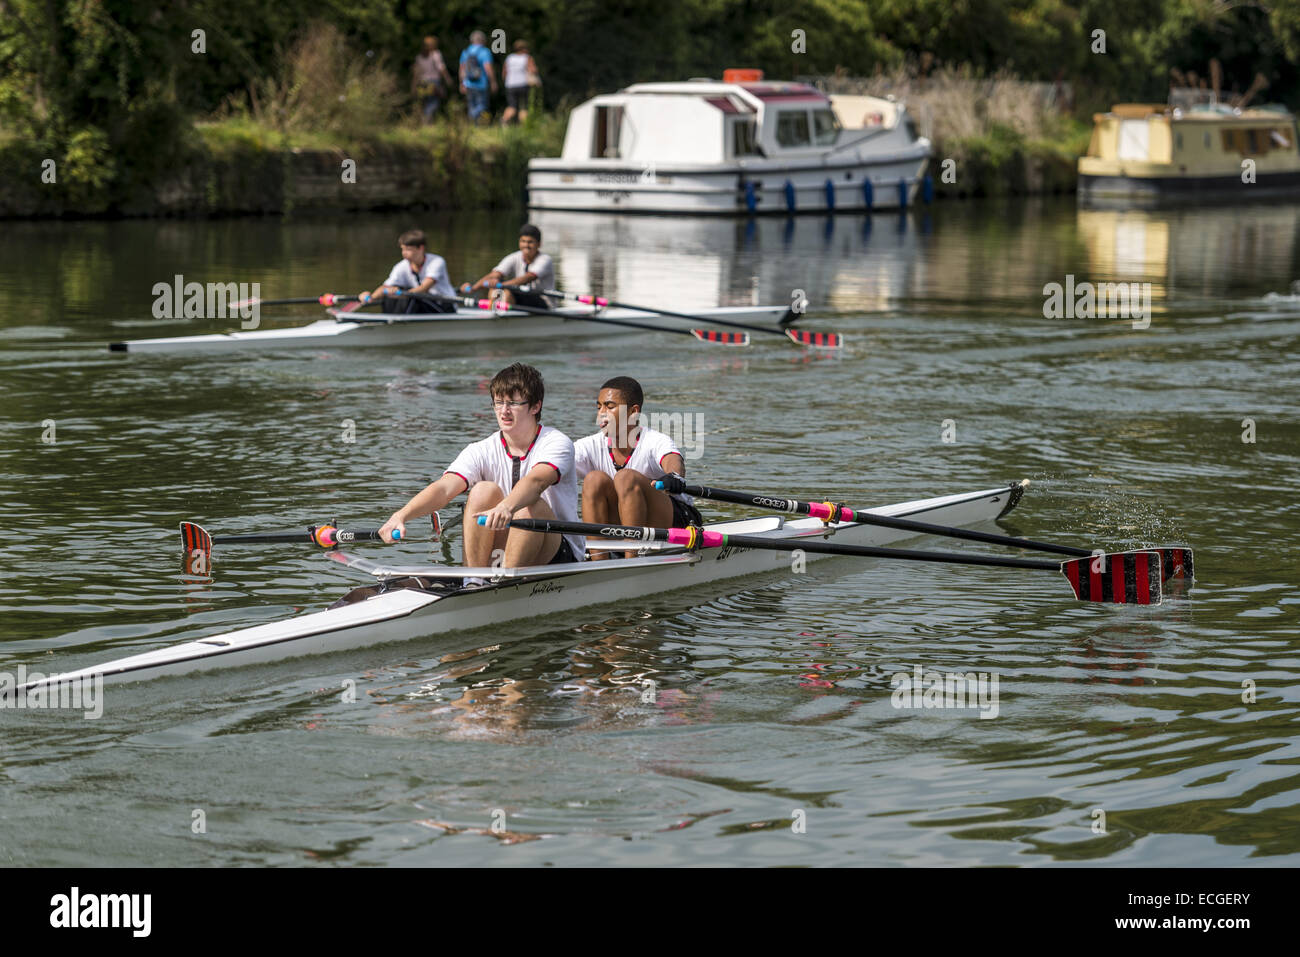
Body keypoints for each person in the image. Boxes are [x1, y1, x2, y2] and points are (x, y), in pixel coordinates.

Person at [379, 363, 583, 578]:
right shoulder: (480, 449)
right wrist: (401, 515)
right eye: (499, 402)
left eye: (513, 403)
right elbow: (444, 489)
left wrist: (506, 507)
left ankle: (502, 587)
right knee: (482, 490)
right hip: (506, 549)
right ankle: (473, 580)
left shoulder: (556, 442)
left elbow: (536, 482)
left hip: (557, 551)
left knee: (527, 507)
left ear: (535, 407)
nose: (504, 411)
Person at [575, 376, 701, 560]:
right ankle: (598, 561)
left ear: (634, 411)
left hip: (675, 522)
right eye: (599, 407)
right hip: (625, 525)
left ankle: (631, 559)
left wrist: (674, 476)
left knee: (625, 477)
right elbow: (556, 463)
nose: (601, 413)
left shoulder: (654, 440)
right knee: (594, 480)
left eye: (610, 407)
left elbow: (673, 460)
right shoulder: (590, 445)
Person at [359, 228, 457, 314]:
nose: (404, 253)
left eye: (408, 249)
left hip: (444, 305)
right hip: (422, 304)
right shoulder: (401, 266)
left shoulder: (437, 262)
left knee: (412, 296)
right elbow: (385, 287)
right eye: (402, 249)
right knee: (390, 295)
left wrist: (400, 294)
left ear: (421, 248)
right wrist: (371, 297)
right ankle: (390, 325)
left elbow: (424, 288)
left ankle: (396, 328)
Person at [462, 224, 554, 308]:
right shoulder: (514, 257)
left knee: (506, 291)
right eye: (523, 241)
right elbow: (494, 275)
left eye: (530, 242)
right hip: (521, 296)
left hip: (543, 301)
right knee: (495, 287)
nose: (526, 245)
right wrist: (474, 288)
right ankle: (496, 315)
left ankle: (502, 317)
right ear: (519, 242)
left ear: (539, 244)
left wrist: (502, 285)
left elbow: (529, 277)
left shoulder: (545, 259)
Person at [412, 36, 454, 123]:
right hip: (433, 83)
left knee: (425, 103)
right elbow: (441, 68)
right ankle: (427, 120)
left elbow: (416, 73)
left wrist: (413, 86)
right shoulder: (435, 54)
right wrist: (448, 79)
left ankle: (426, 122)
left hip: (422, 83)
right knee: (433, 103)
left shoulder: (419, 57)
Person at [459, 30, 497, 124]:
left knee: (471, 105)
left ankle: (472, 125)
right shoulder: (484, 51)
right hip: (481, 84)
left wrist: (462, 83)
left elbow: (462, 69)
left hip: (468, 83)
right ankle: (475, 122)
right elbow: (488, 68)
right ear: (483, 40)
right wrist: (493, 82)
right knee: (482, 105)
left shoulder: (466, 52)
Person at [501, 40, 539, 125]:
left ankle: (504, 120)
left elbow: (504, 73)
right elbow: (533, 70)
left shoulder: (509, 58)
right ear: (524, 49)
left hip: (510, 85)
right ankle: (523, 125)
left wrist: (506, 82)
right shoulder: (527, 57)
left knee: (512, 106)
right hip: (523, 84)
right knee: (524, 107)